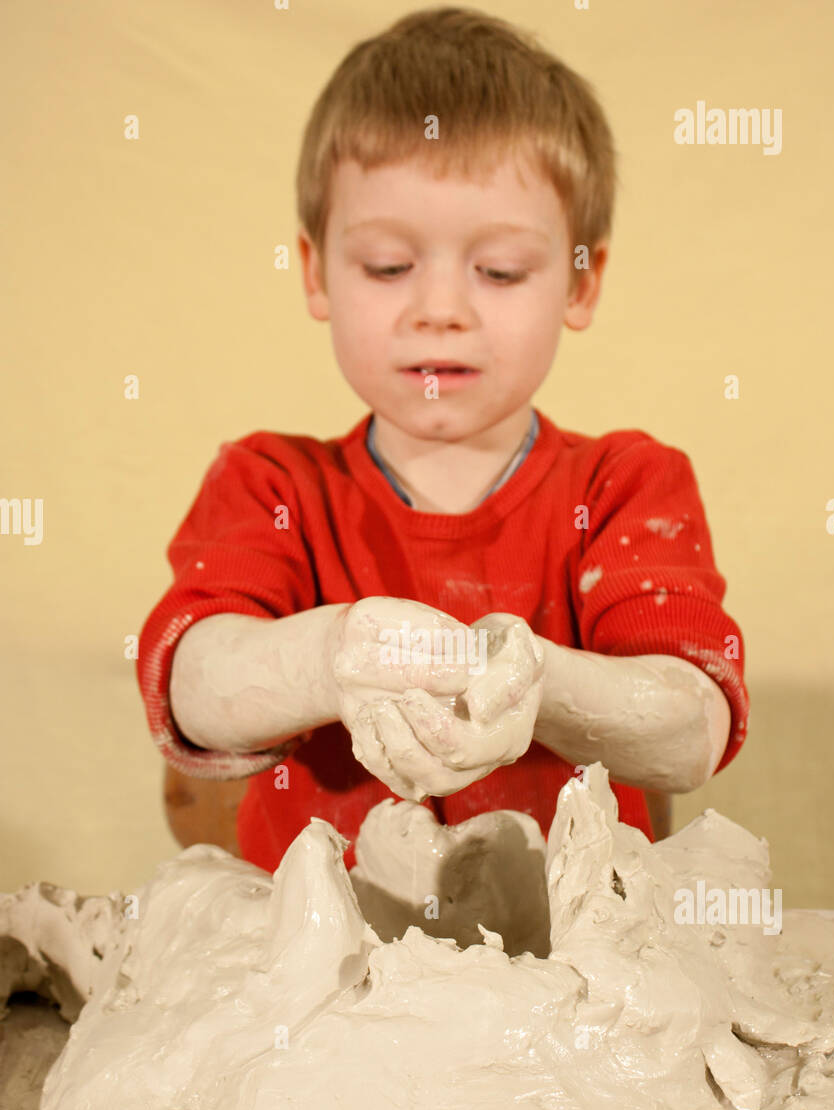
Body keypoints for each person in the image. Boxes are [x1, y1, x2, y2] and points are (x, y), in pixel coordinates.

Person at [137, 7, 748, 873]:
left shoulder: (624, 485)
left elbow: (691, 729)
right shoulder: (272, 484)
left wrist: (527, 678)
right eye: (389, 264)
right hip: (324, 981)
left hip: (568, 980)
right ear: (315, 272)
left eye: (499, 270)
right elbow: (192, 689)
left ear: (582, 282)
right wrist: (333, 656)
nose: (441, 309)